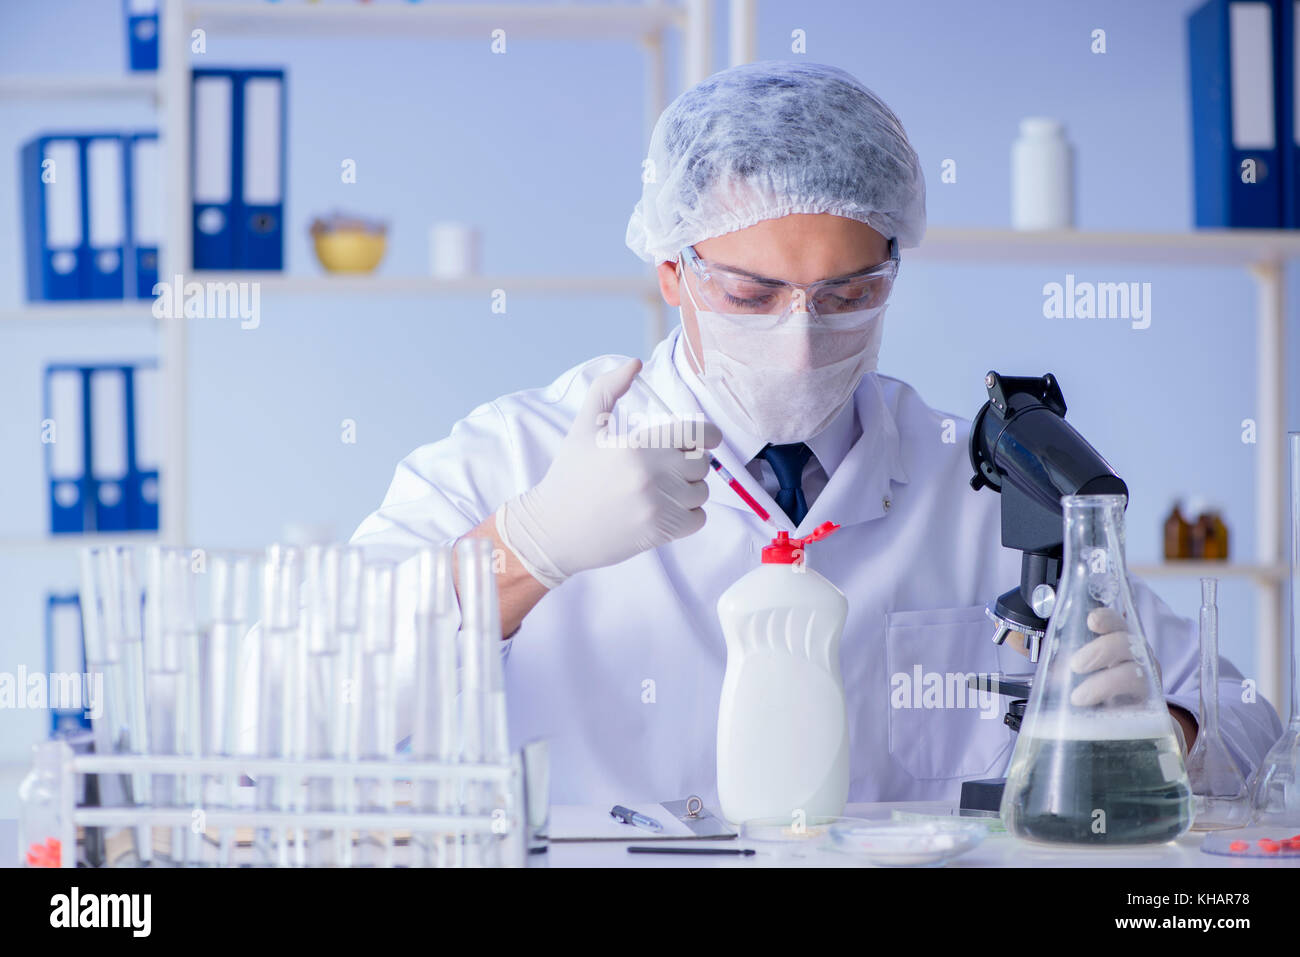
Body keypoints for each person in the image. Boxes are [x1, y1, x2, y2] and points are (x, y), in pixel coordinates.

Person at [351, 62, 1282, 806]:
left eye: (849, 295)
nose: (801, 342)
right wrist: (525, 549)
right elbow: (323, 704)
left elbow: (1251, 723)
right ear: (673, 271)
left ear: (894, 270)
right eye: (750, 293)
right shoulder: (513, 455)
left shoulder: (985, 477)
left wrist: (1167, 734)